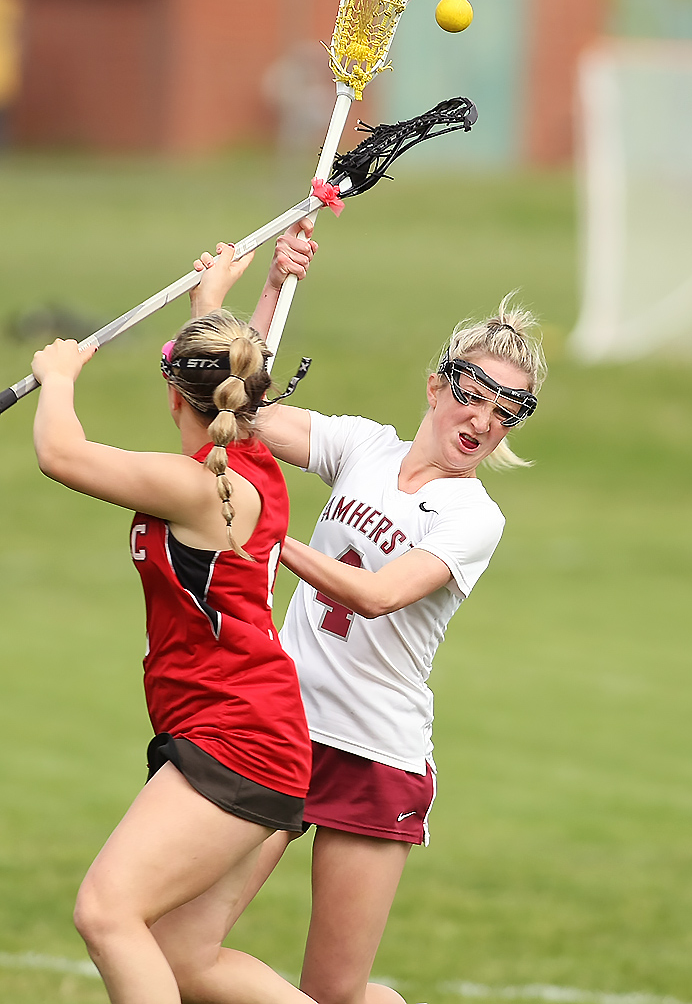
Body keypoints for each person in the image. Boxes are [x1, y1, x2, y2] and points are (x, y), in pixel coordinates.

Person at [189, 227, 547, 1004]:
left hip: (375, 756)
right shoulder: (364, 449)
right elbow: (239, 411)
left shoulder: (473, 516)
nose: (483, 418)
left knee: (335, 992)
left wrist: (268, 535)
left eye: (504, 411)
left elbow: (378, 595)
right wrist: (270, 289)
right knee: (185, 954)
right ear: (437, 386)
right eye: (473, 394)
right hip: (284, 729)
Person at [28, 244, 316, 1004]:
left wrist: (59, 377)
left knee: (106, 911)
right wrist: (212, 301)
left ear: (173, 395)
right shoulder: (243, 461)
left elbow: (60, 452)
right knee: (185, 961)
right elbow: (227, 374)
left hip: (240, 737)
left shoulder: (193, 488)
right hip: (249, 732)